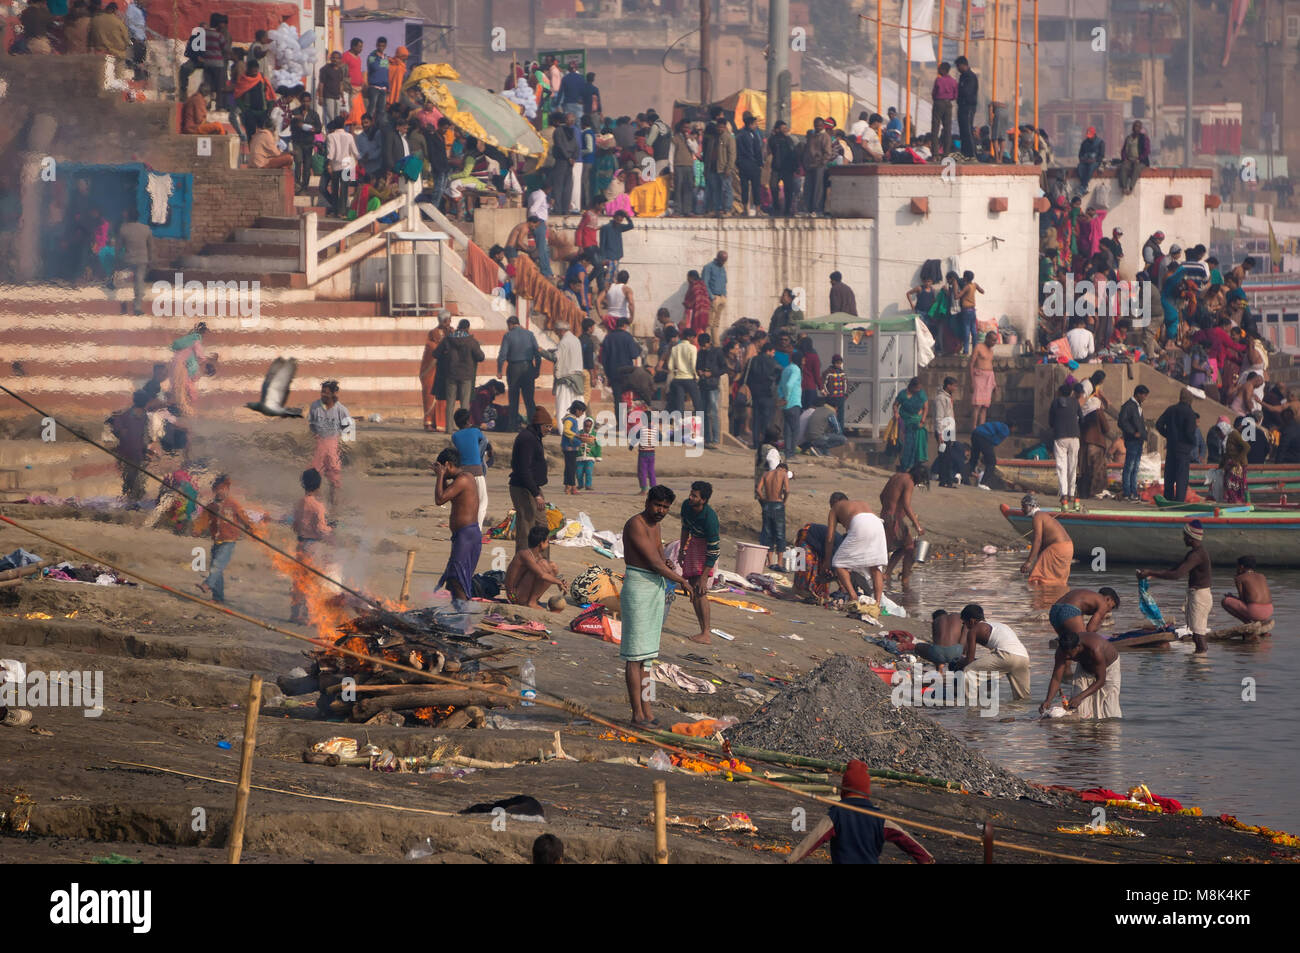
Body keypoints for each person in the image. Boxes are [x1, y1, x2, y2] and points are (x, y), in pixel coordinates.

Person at [621, 486, 689, 727]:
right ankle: (636, 714)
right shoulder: (635, 524)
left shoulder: (656, 526)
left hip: (655, 589)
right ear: (647, 501)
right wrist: (680, 579)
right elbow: (652, 562)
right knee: (634, 656)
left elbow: (660, 558)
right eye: (658, 505)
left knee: (648, 658)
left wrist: (668, 563)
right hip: (638, 588)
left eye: (665, 508)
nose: (661, 511)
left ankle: (648, 711)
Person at [786, 760, 934, 864]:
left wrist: (791, 859)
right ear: (866, 791)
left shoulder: (836, 814)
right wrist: (925, 857)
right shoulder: (878, 818)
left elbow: (814, 839)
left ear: (845, 789)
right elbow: (903, 837)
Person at [1137, 521, 1213, 653]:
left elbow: (1177, 574)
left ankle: (1201, 666)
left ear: (1191, 537)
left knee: (1199, 636)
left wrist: (1151, 572)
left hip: (1200, 597)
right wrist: (1152, 575)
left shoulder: (1196, 555)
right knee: (1196, 634)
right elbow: (1176, 568)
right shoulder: (1194, 553)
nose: (1183, 538)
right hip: (1197, 595)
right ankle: (1197, 665)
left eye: (1185, 535)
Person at [431, 447, 482, 603]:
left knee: (457, 580)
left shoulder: (464, 479)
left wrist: (440, 476)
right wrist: (442, 477)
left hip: (467, 536)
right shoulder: (461, 479)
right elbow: (446, 494)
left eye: (442, 467)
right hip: (463, 536)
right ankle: (458, 616)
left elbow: (440, 499)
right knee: (454, 581)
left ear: (448, 464)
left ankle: (464, 619)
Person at [1042, 621, 1122, 720]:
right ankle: (1083, 733)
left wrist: (1080, 697)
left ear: (1078, 646)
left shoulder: (1095, 649)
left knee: (1110, 710)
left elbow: (1101, 680)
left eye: (1070, 654)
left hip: (1109, 667)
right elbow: (1056, 678)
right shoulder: (1062, 651)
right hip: (1085, 667)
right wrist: (1048, 700)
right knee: (1077, 709)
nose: (1067, 657)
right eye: (1065, 653)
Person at [193, 474, 251, 604]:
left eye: (223, 489)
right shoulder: (211, 506)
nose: (220, 492)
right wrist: (197, 529)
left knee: (217, 565)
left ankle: (207, 584)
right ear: (214, 491)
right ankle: (218, 598)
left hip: (229, 540)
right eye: (217, 489)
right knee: (217, 569)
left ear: (227, 489)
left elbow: (243, 517)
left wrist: (249, 527)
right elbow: (202, 520)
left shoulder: (233, 504)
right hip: (216, 540)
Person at [290, 468, 335, 625]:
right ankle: (310, 615)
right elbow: (321, 530)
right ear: (318, 486)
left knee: (299, 579)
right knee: (312, 581)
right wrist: (332, 532)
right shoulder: (318, 506)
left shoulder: (299, 503)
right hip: (313, 546)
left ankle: (295, 613)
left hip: (300, 544)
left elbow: (295, 525)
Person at [825, 492, 887, 606]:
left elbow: (830, 538)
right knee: (875, 566)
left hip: (860, 524)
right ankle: (877, 603)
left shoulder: (835, 507)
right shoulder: (859, 503)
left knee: (838, 563)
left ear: (833, 502)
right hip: (878, 524)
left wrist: (827, 561)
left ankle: (853, 596)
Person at [958, 604, 1031, 701]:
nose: (965, 626)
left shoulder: (973, 631)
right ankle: (1025, 714)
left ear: (971, 621)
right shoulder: (999, 625)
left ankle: (971, 708)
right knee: (1023, 698)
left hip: (1005, 655)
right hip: (1023, 658)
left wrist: (960, 662)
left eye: (964, 623)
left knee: (968, 672)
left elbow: (969, 661)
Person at [678, 481, 721, 644]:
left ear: (703, 500)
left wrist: (704, 577)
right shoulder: (686, 506)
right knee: (694, 589)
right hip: (694, 544)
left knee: (700, 590)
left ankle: (706, 633)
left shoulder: (710, 518)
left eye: (694, 496)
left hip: (706, 550)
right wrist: (682, 550)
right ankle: (703, 631)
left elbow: (714, 551)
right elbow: (685, 529)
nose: (690, 497)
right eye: (691, 493)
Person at [508, 408, 552, 554]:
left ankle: (542, 566)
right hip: (523, 489)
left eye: (550, 427)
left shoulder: (534, 437)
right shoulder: (527, 438)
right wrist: (536, 494)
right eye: (547, 426)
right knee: (526, 527)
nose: (549, 430)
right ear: (539, 425)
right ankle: (522, 565)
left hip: (533, 487)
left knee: (541, 526)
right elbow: (523, 469)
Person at [880, 464, 927, 587]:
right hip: (894, 519)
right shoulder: (909, 481)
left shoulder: (896, 476)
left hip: (885, 516)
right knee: (910, 547)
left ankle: (888, 574)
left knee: (903, 546)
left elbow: (882, 495)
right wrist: (917, 526)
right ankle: (905, 581)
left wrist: (889, 509)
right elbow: (906, 505)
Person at [308, 380, 351, 510]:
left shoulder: (342, 410)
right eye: (322, 392)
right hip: (319, 445)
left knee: (334, 481)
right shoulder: (315, 406)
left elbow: (349, 430)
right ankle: (317, 507)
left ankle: (334, 507)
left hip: (333, 446)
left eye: (326, 393)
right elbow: (311, 425)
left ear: (333, 394)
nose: (323, 395)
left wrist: (344, 447)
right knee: (314, 478)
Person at [1019, 493, 1075, 588]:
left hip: (1058, 548)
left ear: (1032, 506)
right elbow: (1042, 544)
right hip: (1068, 548)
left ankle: (1039, 600)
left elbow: (1038, 540)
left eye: (1024, 507)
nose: (1022, 509)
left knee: (1036, 579)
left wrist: (1029, 562)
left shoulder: (1038, 516)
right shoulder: (1043, 515)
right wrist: (1035, 561)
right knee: (1056, 581)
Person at [505, 525, 565, 610]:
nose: (548, 544)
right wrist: (558, 582)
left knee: (552, 566)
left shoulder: (536, 555)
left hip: (522, 592)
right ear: (541, 543)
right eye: (547, 541)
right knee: (542, 565)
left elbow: (549, 572)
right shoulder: (525, 554)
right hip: (515, 596)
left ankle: (532, 601)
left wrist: (561, 582)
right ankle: (531, 602)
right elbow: (542, 575)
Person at [497, 314, 540, 431]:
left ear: (510, 325)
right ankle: (533, 425)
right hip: (528, 368)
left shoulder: (508, 336)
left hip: (513, 368)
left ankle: (512, 425)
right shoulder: (530, 334)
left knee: (513, 398)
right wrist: (537, 369)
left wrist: (499, 370)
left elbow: (502, 355)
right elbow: (537, 353)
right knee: (529, 399)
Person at [1155, 389, 1198, 503]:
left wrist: (1168, 435)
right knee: (1181, 477)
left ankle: (1168, 499)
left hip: (1172, 447)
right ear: (1190, 400)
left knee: (1169, 475)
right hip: (1183, 449)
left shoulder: (1171, 409)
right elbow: (1189, 432)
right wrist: (1193, 442)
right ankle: (1179, 501)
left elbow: (1158, 424)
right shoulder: (1190, 413)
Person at [109, 390, 152, 502]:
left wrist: (145, 449)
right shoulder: (127, 414)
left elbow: (145, 434)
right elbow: (117, 429)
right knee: (131, 475)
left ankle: (134, 495)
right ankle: (130, 495)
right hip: (129, 450)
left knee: (136, 475)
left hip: (136, 451)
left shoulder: (143, 416)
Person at [452, 409, 490, 528]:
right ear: (469, 420)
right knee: (482, 502)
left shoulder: (455, 436)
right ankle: (477, 529)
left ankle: (466, 526)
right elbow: (484, 441)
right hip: (476, 471)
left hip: (462, 472)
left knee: (467, 502)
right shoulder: (475, 431)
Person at [1048, 383, 1081, 509]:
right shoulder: (1075, 402)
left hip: (1060, 437)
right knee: (1073, 465)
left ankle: (1064, 494)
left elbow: (1050, 422)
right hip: (1074, 437)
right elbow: (1081, 418)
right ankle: (1072, 493)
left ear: (1060, 393)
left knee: (1062, 466)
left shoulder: (1055, 403)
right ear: (1071, 393)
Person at [1221, 555, 1273, 626]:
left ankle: (1248, 623)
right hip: (1269, 610)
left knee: (1225, 601)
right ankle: (1261, 623)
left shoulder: (1239, 578)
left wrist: (1232, 597)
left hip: (1255, 612)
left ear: (1241, 567)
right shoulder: (1262, 576)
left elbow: (1243, 600)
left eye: (1237, 566)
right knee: (1250, 606)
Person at [756, 455, 788, 570]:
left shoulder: (766, 474)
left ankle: (769, 562)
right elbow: (787, 490)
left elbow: (758, 490)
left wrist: (764, 500)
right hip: (778, 504)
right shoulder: (783, 474)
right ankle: (779, 563)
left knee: (767, 533)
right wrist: (784, 501)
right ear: (784, 469)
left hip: (767, 505)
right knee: (780, 534)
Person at [1117, 385, 1148, 502]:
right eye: (1144, 395)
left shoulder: (1137, 406)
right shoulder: (1128, 406)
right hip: (1132, 440)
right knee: (1129, 467)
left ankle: (1133, 492)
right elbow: (1121, 422)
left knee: (1135, 467)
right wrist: (1133, 432)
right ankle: (1127, 492)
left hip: (1139, 441)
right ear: (1138, 394)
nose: (1145, 398)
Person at [893, 377, 928, 470]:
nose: (918, 390)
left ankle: (914, 466)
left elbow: (925, 408)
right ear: (912, 386)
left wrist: (922, 420)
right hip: (904, 423)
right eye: (917, 388)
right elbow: (895, 405)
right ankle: (905, 466)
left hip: (917, 423)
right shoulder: (903, 394)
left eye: (920, 388)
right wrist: (896, 413)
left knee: (916, 446)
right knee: (905, 445)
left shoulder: (921, 394)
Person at [767, 120, 799, 216]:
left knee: (789, 189)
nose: (785, 130)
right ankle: (776, 207)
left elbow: (794, 153)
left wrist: (795, 166)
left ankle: (787, 209)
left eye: (786, 128)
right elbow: (771, 147)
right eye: (783, 128)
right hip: (777, 167)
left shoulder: (789, 140)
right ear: (778, 129)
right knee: (773, 186)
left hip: (788, 168)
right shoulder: (773, 139)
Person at [967, 419, 1008, 490]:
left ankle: (964, 475)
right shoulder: (1006, 430)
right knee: (992, 462)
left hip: (975, 433)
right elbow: (995, 441)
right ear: (1013, 427)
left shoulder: (996, 423)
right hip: (983, 437)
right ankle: (983, 483)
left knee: (974, 458)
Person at [778, 349, 804, 454]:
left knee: (787, 430)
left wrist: (782, 397)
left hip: (786, 405)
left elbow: (780, 387)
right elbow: (789, 384)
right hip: (793, 403)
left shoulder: (786, 369)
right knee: (795, 430)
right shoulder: (796, 370)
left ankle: (788, 452)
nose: (804, 362)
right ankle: (792, 453)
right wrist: (787, 399)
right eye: (803, 360)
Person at [559, 400, 587, 496]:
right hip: (569, 447)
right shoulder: (570, 419)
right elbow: (566, 431)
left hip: (571, 446)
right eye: (581, 411)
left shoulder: (572, 418)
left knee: (569, 467)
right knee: (571, 468)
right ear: (577, 410)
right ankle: (572, 487)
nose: (582, 413)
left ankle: (568, 486)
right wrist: (577, 436)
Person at [930, 62, 957, 156]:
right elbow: (955, 95)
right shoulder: (953, 81)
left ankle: (935, 154)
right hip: (948, 104)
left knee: (935, 128)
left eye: (939, 69)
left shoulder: (938, 80)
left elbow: (934, 94)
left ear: (943, 70)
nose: (938, 71)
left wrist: (938, 99)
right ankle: (946, 153)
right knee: (947, 129)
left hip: (938, 103)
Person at [1117, 120, 1150, 194]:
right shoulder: (1128, 138)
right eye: (1135, 126)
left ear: (1140, 128)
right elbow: (1123, 150)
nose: (1136, 128)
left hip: (1140, 160)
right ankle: (1124, 187)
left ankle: (1131, 187)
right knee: (1123, 167)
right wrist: (1125, 159)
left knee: (1137, 168)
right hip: (1129, 159)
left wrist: (1139, 159)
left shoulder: (1144, 138)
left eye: (1138, 127)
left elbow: (1147, 151)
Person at [955, 56, 979, 159]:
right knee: (963, 130)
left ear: (963, 65)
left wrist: (959, 91)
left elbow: (967, 92)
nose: (957, 69)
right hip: (962, 106)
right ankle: (965, 152)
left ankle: (971, 153)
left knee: (968, 129)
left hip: (968, 106)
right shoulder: (963, 76)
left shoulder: (970, 76)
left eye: (958, 66)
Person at [702, 251, 728, 337]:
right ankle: (707, 344)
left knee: (716, 324)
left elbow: (724, 282)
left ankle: (716, 344)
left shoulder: (722, 268)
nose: (723, 262)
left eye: (725, 260)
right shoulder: (709, 267)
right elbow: (704, 283)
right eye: (722, 260)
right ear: (718, 258)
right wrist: (711, 297)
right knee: (709, 324)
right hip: (713, 298)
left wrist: (724, 295)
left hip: (721, 297)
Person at [958, 274, 986, 356]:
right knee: (974, 331)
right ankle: (975, 350)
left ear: (965, 278)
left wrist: (956, 288)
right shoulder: (974, 285)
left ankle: (966, 351)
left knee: (966, 331)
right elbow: (982, 291)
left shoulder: (966, 287)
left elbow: (957, 296)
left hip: (966, 310)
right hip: (973, 310)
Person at [1076, 126, 1105, 194]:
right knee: (1080, 167)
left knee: (1090, 167)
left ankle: (1083, 186)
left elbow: (1101, 155)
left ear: (1094, 134)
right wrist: (1083, 159)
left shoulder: (1100, 142)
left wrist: (1094, 160)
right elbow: (1080, 154)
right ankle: (1084, 186)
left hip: (1095, 162)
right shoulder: (1084, 143)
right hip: (1085, 161)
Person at [823, 354, 848, 432]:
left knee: (840, 417)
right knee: (831, 417)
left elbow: (846, 384)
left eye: (840, 363)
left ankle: (840, 434)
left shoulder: (843, 373)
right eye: (837, 363)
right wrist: (828, 394)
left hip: (841, 398)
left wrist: (845, 394)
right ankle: (831, 432)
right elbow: (823, 384)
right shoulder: (827, 372)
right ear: (833, 362)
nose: (839, 364)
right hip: (831, 399)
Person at [575, 417, 599, 491]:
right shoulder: (579, 433)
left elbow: (598, 446)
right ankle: (580, 485)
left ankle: (588, 485)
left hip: (590, 457)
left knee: (588, 472)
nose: (587, 428)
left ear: (592, 426)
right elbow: (575, 442)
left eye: (589, 426)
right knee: (579, 473)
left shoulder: (595, 434)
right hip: (579, 457)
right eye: (586, 426)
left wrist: (598, 456)